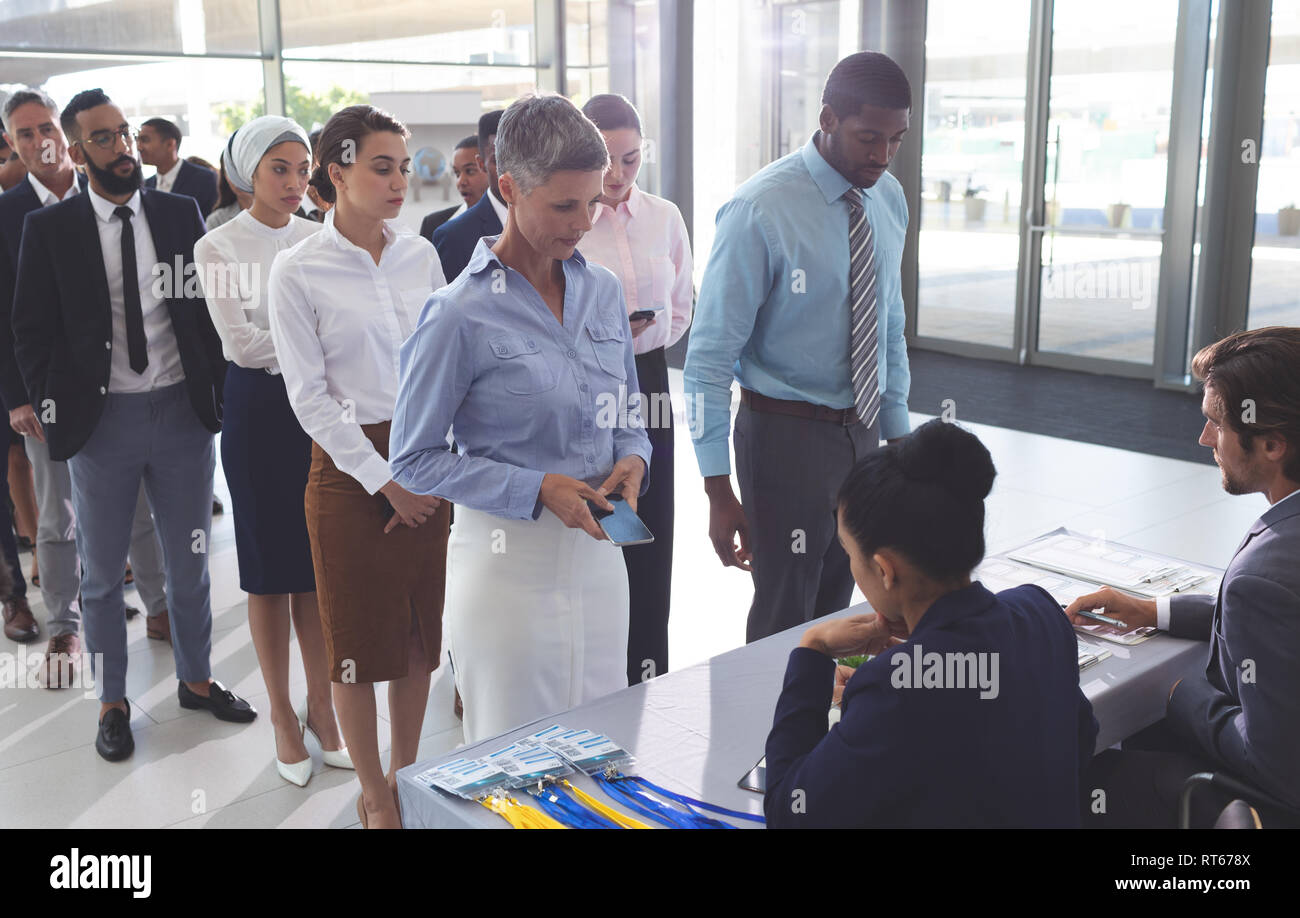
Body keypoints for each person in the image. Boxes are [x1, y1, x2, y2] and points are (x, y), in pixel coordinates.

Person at [390, 92, 652, 746]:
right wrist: (536, 488)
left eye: (594, 201)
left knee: (600, 748)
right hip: (506, 570)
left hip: (599, 556)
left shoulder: (605, 291)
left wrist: (634, 454)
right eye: (565, 205)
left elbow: (626, 404)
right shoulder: (456, 313)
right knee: (513, 766)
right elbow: (415, 458)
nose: (584, 221)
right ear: (508, 188)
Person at [11, 88, 254, 759]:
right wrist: (56, 404)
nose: (122, 148)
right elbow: (29, 329)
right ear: (76, 149)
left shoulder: (179, 215)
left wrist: (218, 388)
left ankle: (197, 681)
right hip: (101, 422)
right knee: (99, 571)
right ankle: (112, 701)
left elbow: (206, 309)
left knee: (192, 562)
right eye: (104, 139)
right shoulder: (51, 229)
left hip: (181, 413)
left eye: (124, 134)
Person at [764, 419, 1097, 828]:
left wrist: (812, 649)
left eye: (849, 552)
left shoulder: (894, 688)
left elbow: (789, 810)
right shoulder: (1039, 612)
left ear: (885, 570)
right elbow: (1079, 742)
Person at [684, 51, 913, 644]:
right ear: (828, 118)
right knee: (786, 613)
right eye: (868, 137)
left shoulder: (887, 199)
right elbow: (707, 361)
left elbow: (888, 319)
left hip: (861, 431)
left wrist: (900, 441)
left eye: (896, 140)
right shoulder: (758, 210)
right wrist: (716, 487)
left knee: (850, 603)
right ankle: (771, 734)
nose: (882, 156)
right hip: (784, 438)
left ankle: (832, 733)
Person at [268, 104, 449, 829]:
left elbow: (444, 365)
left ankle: (407, 776)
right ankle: (373, 793)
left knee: (416, 640)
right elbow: (309, 399)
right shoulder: (298, 268)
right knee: (355, 647)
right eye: (382, 167)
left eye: (404, 167)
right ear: (335, 172)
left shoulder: (422, 255)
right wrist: (384, 480)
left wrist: (432, 462)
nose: (400, 181)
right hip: (348, 471)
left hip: (425, 455)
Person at [1068, 327, 1300, 828]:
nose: (1204, 439)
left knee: (1084, 781)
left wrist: (1179, 694)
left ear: (1272, 444)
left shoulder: (1263, 574)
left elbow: (1275, 768)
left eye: (1216, 423)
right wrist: (1154, 611)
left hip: (1266, 802)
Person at [195, 115, 350, 787]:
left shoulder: (323, 236)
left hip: (316, 414)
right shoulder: (220, 246)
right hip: (259, 415)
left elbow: (342, 328)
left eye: (302, 169)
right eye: (279, 169)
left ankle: (324, 709)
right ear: (246, 174)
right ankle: (283, 717)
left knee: (314, 567)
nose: (295, 182)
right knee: (266, 571)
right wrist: (308, 342)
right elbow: (241, 345)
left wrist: (304, 342)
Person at [0, 88, 171, 679]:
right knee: (58, 515)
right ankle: (66, 628)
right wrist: (19, 397)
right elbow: (6, 317)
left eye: (44, 126)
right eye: (25, 134)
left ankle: (158, 607)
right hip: (51, 394)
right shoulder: (6, 212)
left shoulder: (120, 194)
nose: (39, 140)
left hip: (130, 390)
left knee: (142, 508)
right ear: (13, 145)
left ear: (65, 134)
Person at [577, 93, 692, 685]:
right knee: (601, 530)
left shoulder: (665, 216)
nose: (619, 175)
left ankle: (650, 677)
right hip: (586, 385)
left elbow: (681, 310)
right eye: (607, 160)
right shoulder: (568, 219)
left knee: (653, 534)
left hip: (648, 382)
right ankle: (598, 685)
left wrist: (644, 330)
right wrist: (608, 335)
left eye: (631, 159)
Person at [432, 110, 505, 281]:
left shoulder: (549, 220)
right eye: (499, 160)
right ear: (482, 164)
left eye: (520, 158)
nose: (512, 169)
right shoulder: (453, 237)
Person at [137, 117, 218, 217]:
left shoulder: (205, 179)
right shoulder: (145, 185)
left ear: (170, 144)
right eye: (137, 140)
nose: (138, 147)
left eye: (145, 140)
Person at [420, 134, 489, 242]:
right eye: (457, 173)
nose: (460, 182)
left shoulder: (511, 224)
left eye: (470, 171)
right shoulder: (433, 225)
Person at [204, 154, 249, 231]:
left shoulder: (274, 214)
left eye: (240, 169)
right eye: (229, 172)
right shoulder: (217, 220)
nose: (235, 179)